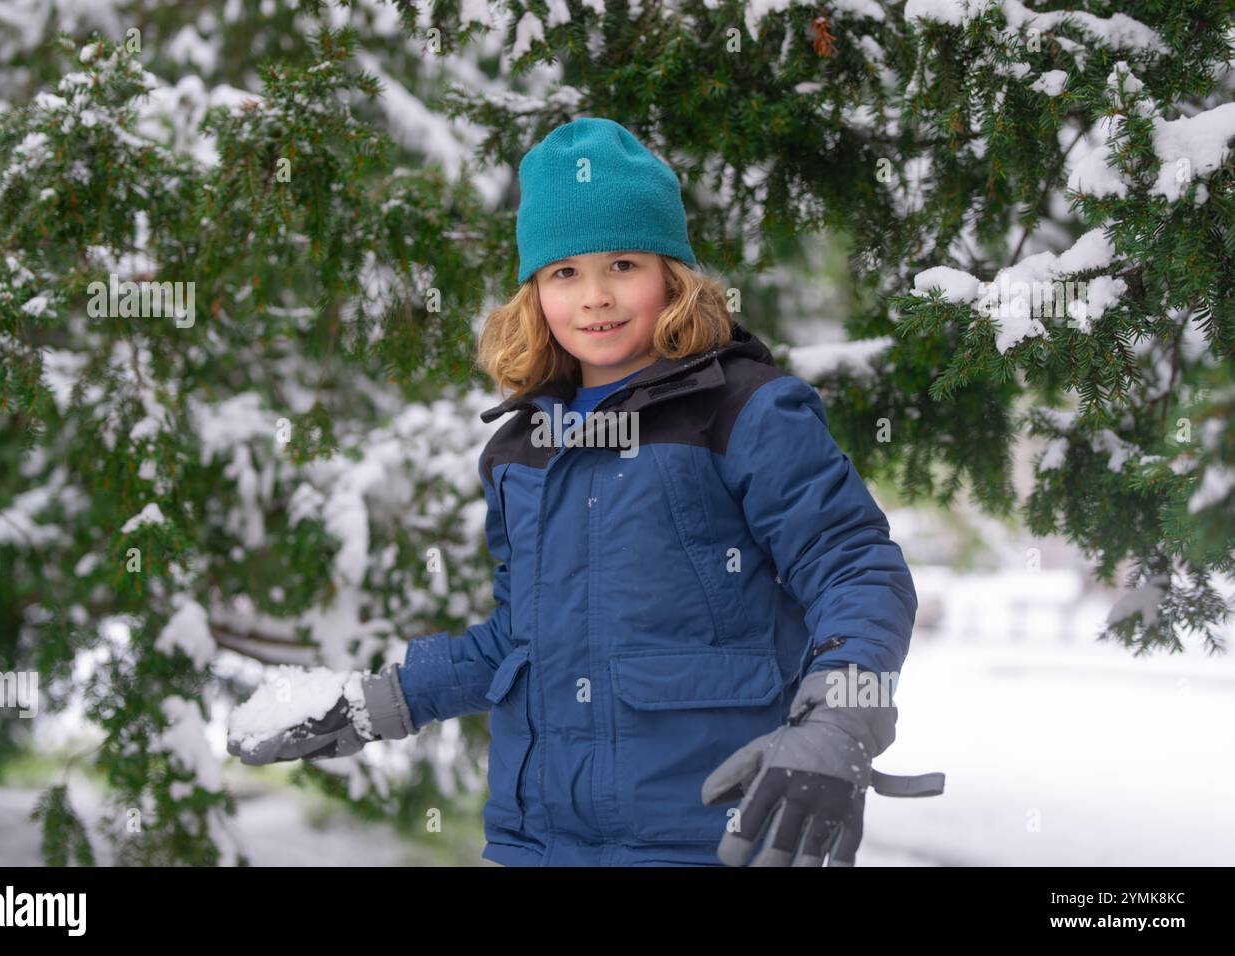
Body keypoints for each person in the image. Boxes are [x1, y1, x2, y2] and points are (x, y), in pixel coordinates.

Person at [229, 116, 944, 866]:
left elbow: (856, 568)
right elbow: (523, 640)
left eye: (624, 264)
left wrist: (840, 721)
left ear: (673, 273)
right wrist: (377, 703)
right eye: (564, 272)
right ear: (534, 291)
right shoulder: (520, 448)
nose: (595, 297)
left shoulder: (743, 409)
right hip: (535, 842)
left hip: (707, 837)